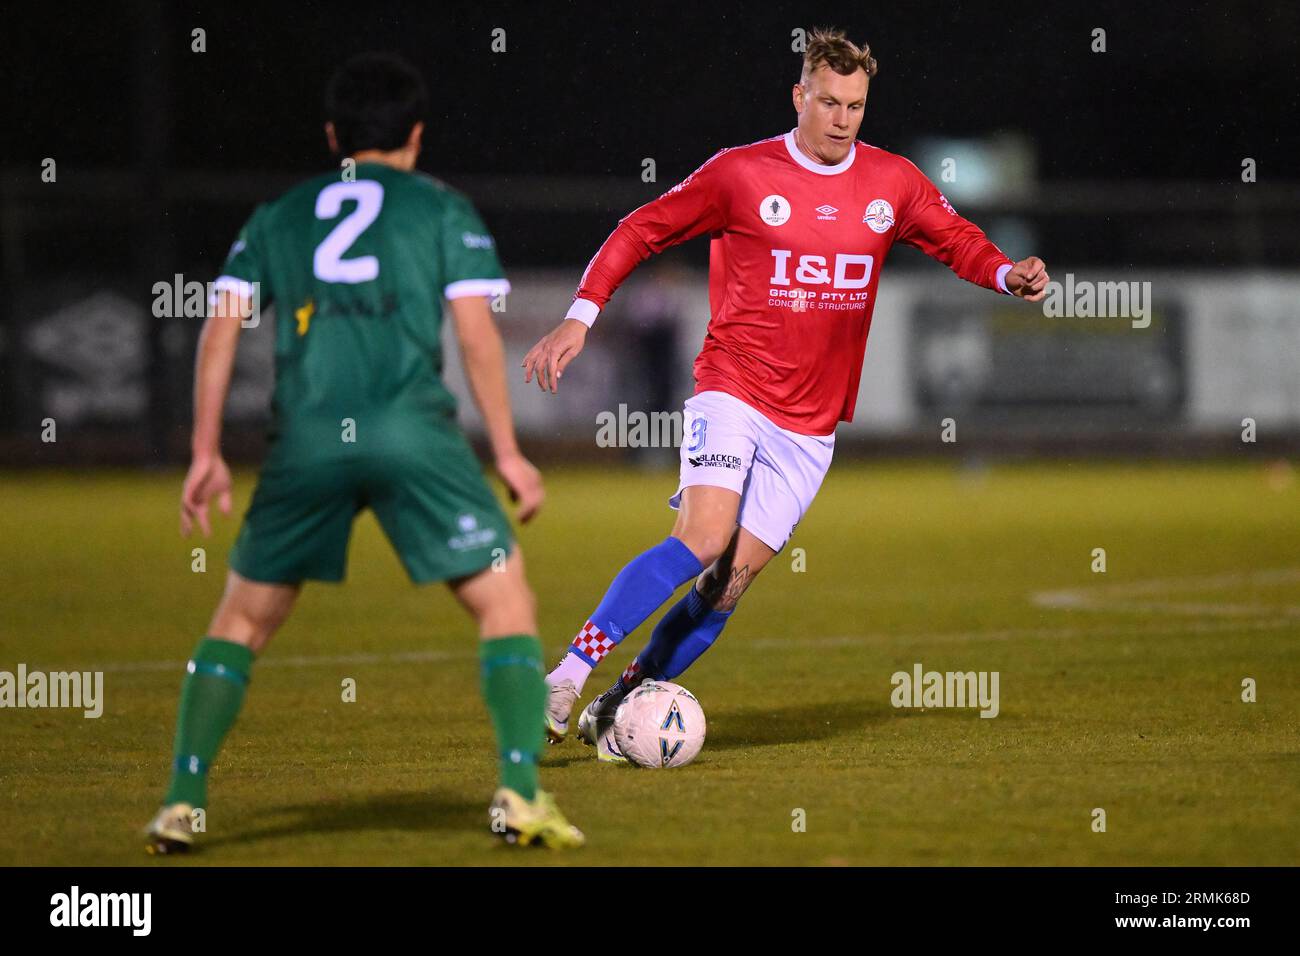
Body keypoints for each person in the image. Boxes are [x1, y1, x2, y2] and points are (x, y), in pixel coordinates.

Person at [522, 28, 1049, 761]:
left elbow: (955, 239)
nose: (840, 118)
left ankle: (620, 702)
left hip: (810, 425)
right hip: (733, 384)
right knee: (704, 537)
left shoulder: (891, 183)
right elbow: (641, 230)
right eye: (827, 101)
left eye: (855, 106)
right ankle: (567, 674)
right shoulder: (741, 175)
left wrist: (1003, 273)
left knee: (727, 582)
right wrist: (582, 315)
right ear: (799, 96)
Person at [144, 52, 582, 849]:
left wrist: (205, 450)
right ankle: (519, 793)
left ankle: (182, 801)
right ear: (415, 135)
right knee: (504, 599)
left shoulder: (280, 215)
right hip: (414, 433)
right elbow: (477, 334)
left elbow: (220, 328)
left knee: (241, 620)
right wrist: (509, 451)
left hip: (306, 440)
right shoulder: (442, 209)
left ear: (332, 134)